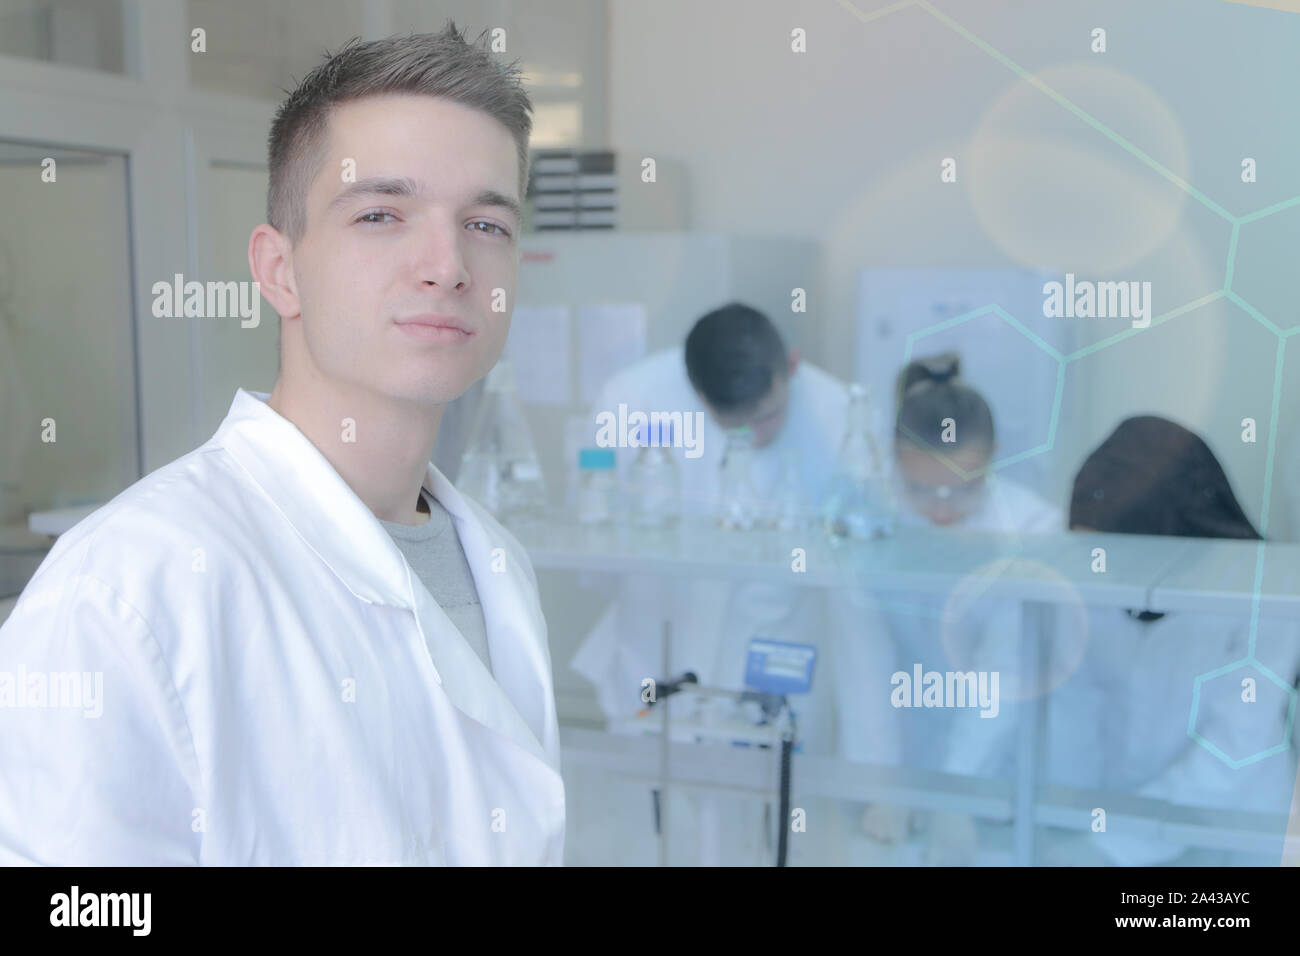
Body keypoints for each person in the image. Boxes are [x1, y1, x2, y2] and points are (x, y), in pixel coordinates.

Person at [0, 26, 565, 865]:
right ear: (278, 270)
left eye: (486, 224)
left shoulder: (496, 562)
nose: (447, 265)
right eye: (381, 213)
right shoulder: (123, 593)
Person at [567, 302, 853, 864]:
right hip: (655, 663)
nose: (752, 434)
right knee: (651, 837)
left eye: (768, 417)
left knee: (771, 838)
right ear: (693, 389)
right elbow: (591, 539)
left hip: (776, 669)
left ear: (791, 366)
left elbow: (855, 571)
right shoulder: (630, 399)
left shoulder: (836, 413)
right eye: (733, 424)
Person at [1041, 415, 1299, 865]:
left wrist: (1110, 847)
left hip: (1234, 832)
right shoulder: (1096, 584)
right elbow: (1075, 706)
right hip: (1122, 812)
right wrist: (1071, 821)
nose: (1100, 569)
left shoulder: (1266, 594)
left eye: (1112, 553)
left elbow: (1236, 747)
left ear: (1162, 529)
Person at [835, 353, 1062, 853]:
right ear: (892, 455)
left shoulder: (1030, 529)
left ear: (994, 456)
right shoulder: (866, 525)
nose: (941, 509)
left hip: (997, 761)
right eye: (920, 489)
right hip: (896, 751)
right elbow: (863, 666)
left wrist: (951, 789)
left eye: (962, 490)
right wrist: (883, 786)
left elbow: (1002, 674)